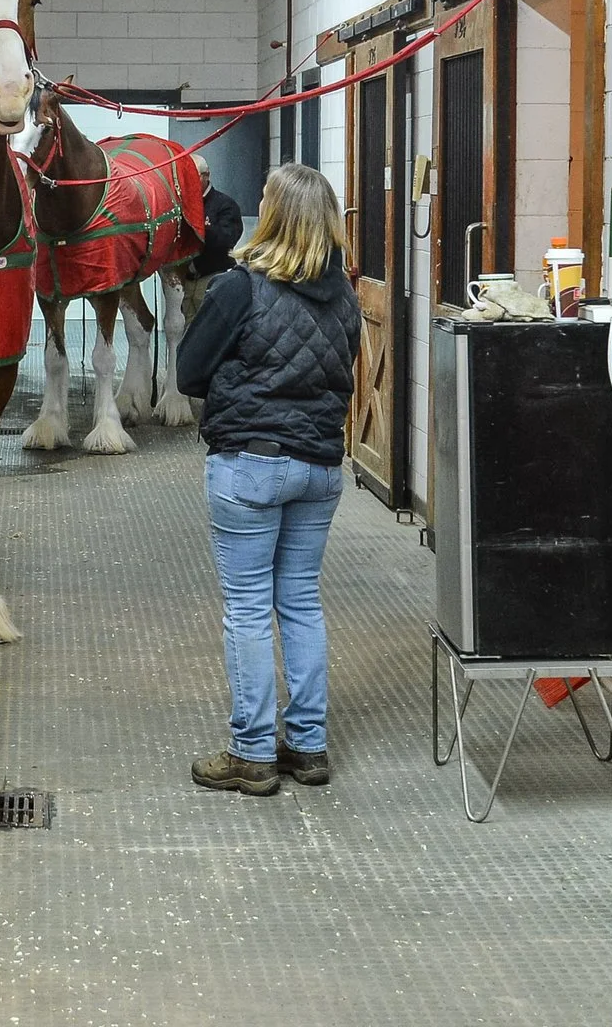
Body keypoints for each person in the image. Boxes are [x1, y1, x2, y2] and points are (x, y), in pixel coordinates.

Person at [174, 163, 362, 795]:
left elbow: (188, 374)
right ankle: (308, 748)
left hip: (250, 466)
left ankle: (252, 753)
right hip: (319, 470)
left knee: (249, 607)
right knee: (301, 601)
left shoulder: (239, 288)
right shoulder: (346, 299)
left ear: (274, 216)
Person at [178, 152, 243, 325]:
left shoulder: (225, 205)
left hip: (212, 277)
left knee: (210, 328)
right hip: (184, 279)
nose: (186, 182)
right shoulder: (179, 204)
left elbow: (226, 240)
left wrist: (198, 224)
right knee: (182, 331)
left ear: (206, 176)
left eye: (191, 176)